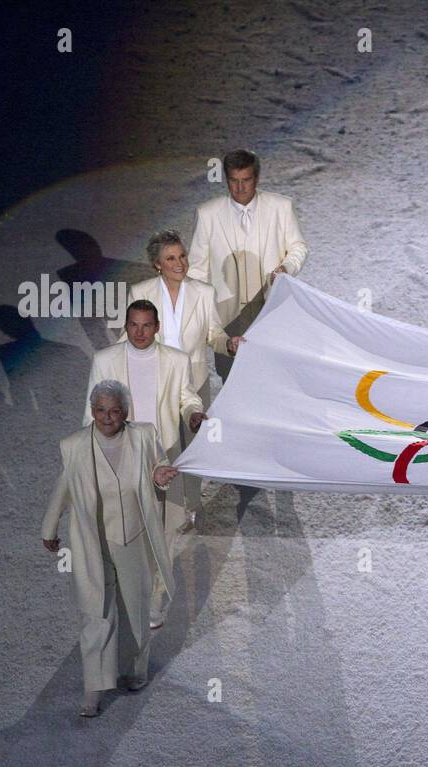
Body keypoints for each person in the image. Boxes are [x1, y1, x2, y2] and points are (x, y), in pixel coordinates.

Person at [42, 381, 179, 717]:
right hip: (93, 543)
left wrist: (160, 475)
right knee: (95, 613)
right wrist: (49, 526)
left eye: (114, 410)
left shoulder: (143, 436)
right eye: (101, 410)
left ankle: (134, 670)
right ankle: (94, 688)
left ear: (125, 412)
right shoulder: (74, 446)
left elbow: (155, 469)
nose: (107, 417)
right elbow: (65, 486)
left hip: (131, 537)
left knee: (135, 608)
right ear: (92, 411)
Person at [84, 300, 205, 626]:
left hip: (161, 456)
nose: (139, 332)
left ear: (157, 327)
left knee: (163, 535)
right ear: (125, 324)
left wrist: (193, 413)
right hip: (120, 457)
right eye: (133, 324)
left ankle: (154, 601)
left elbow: (187, 396)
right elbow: (90, 412)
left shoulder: (176, 361)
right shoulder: (105, 360)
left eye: (146, 325)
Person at [126, 230, 243, 530]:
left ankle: (193, 505)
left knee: (193, 444)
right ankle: (169, 506)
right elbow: (129, 337)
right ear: (157, 265)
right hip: (157, 381)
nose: (179, 263)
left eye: (182, 256)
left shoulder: (203, 293)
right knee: (166, 445)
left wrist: (227, 344)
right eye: (171, 258)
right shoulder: (140, 293)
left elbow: (213, 335)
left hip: (194, 381)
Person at [187, 148, 308, 333]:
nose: (240, 187)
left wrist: (287, 267)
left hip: (272, 310)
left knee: (271, 362)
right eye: (233, 181)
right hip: (227, 316)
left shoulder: (281, 207)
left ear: (257, 179)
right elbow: (197, 269)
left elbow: (298, 246)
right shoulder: (207, 214)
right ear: (226, 179)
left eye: (246, 180)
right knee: (229, 363)